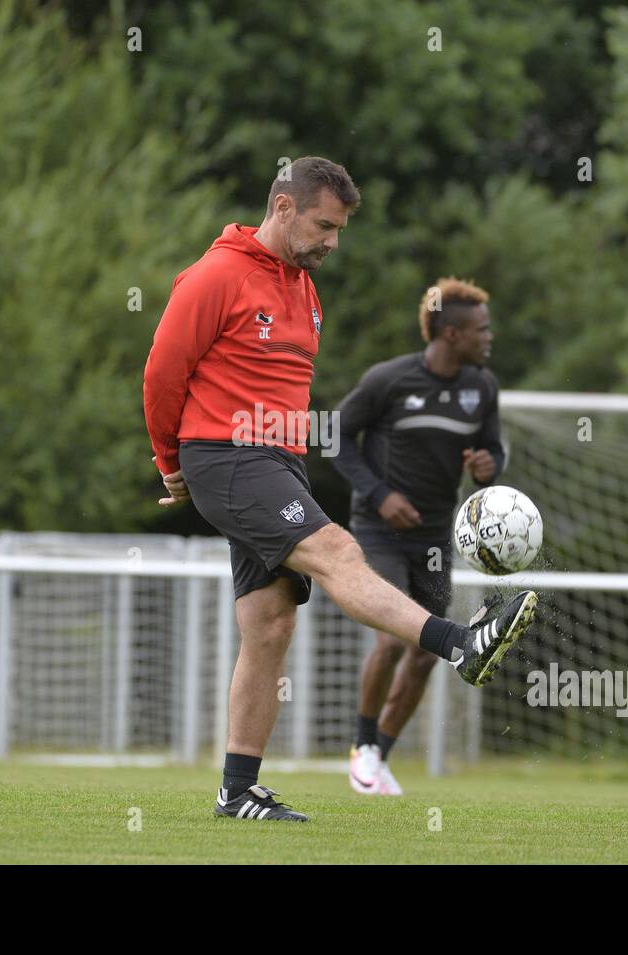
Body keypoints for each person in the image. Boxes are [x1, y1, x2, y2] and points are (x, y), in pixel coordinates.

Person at [143, 157, 537, 822]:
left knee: (270, 625)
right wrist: (170, 462)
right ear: (283, 207)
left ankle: (237, 790)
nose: (333, 241)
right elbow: (161, 372)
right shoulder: (214, 276)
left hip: (276, 464)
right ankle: (457, 642)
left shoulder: (305, 290)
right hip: (227, 457)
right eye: (324, 225)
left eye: (341, 229)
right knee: (338, 552)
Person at [333, 277, 505, 796]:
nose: (488, 337)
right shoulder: (389, 380)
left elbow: (494, 454)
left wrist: (486, 466)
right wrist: (380, 493)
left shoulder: (483, 387)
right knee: (390, 639)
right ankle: (362, 749)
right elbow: (334, 436)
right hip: (377, 530)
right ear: (451, 333)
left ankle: (378, 758)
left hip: (435, 536)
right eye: (481, 329)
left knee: (426, 651)